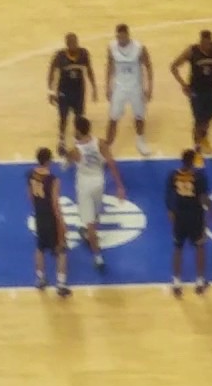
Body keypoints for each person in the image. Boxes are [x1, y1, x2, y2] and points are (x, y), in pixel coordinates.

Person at [65, 116, 125, 271]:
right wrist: (119, 186)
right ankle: (88, 234)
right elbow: (111, 163)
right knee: (95, 215)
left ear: (77, 130)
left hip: (85, 185)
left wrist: (65, 154)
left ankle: (97, 256)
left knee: (89, 222)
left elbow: (65, 166)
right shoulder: (100, 143)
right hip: (99, 183)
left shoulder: (76, 150)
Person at [169, 30, 212, 166]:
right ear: (200, 41)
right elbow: (173, 67)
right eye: (204, 43)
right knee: (198, 121)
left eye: (209, 43)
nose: (207, 46)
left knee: (210, 116)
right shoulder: (192, 51)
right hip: (196, 91)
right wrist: (183, 84)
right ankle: (197, 151)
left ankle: (204, 138)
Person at [168, 149, 212, 297]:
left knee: (178, 248)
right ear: (193, 160)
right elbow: (203, 198)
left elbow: (169, 197)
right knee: (200, 246)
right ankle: (200, 282)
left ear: (182, 160)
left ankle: (176, 282)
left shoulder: (173, 175)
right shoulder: (198, 176)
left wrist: (171, 213)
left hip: (180, 216)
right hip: (195, 216)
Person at [28, 147, 72, 297]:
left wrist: (38, 210)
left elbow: (30, 196)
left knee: (40, 247)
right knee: (61, 250)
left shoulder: (30, 175)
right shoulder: (53, 180)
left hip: (39, 216)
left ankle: (40, 279)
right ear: (48, 160)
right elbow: (55, 204)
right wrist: (62, 224)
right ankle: (61, 284)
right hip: (51, 218)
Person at [106, 23, 154, 155]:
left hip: (136, 87)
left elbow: (149, 66)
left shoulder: (139, 48)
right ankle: (108, 145)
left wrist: (149, 87)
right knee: (113, 118)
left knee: (139, 116)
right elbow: (109, 67)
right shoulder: (111, 47)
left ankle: (140, 141)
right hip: (119, 87)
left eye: (123, 36)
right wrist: (108, 86)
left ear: (128, 35)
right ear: (116, 36)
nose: (121, 39)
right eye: (119, 37)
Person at [47, 33, 97, 154]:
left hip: (79, 91)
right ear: (67, 44)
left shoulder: (84, 54)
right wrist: (51, 91)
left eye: (75, 42)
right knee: (63, 118)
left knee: (79, 117)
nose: (74, 45)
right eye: (71, 43)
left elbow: (89, 70)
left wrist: (94, 87)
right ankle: (62, 141)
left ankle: (78, 140)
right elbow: (52, 72)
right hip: (64, 91)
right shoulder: (60, 56)